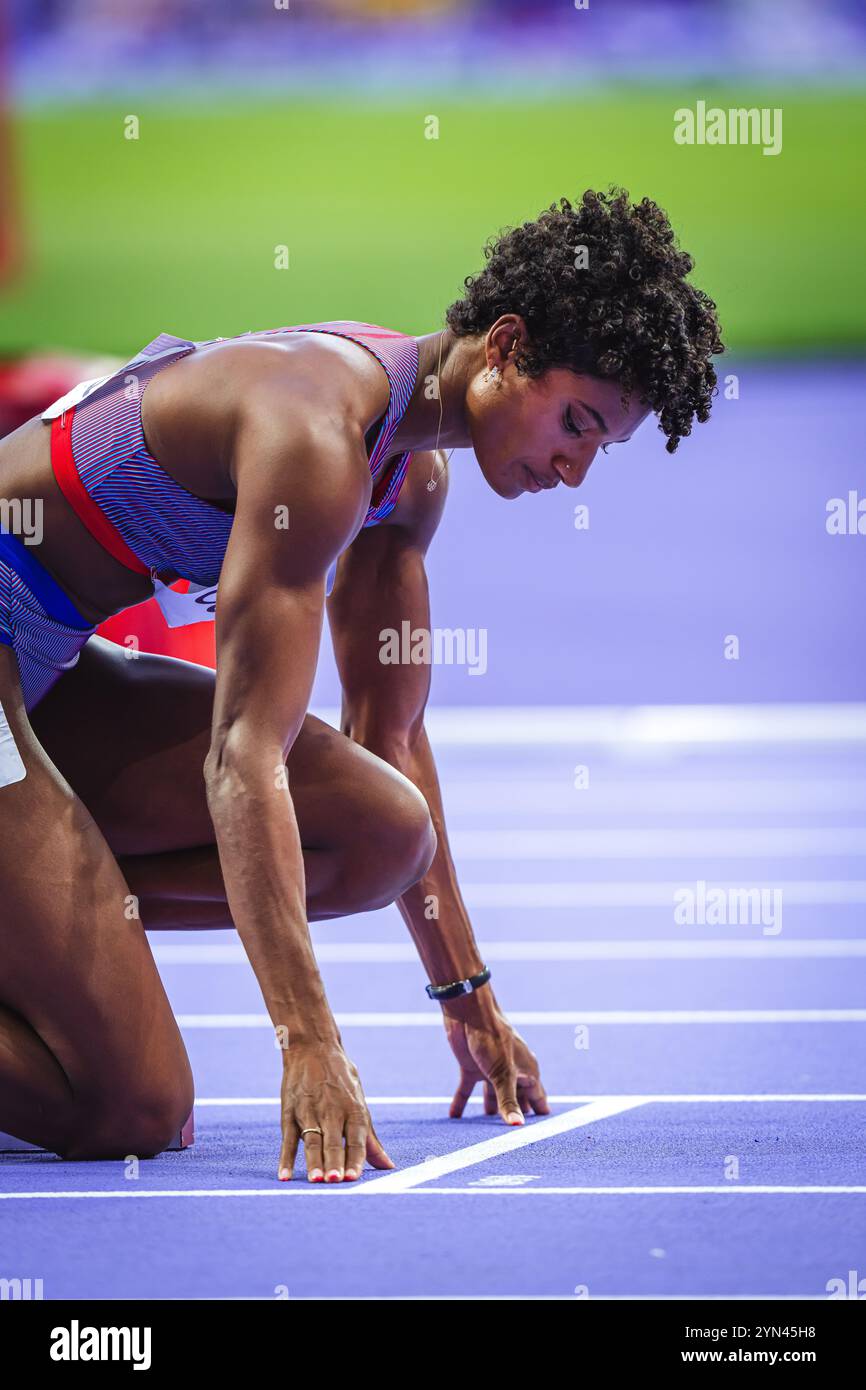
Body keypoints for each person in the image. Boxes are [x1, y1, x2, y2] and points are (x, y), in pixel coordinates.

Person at [0, 189, 723, 1181]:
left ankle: (34, 916)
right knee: (134, 1103)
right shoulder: (317, 436)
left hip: (41, 664)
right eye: (577, 422)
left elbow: (392, 742)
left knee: (382, 829)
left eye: (601, 445)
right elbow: (242, 754)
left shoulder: (408, 477)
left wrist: (465, 995)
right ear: (505, 346)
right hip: (15, 655)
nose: (576, 468)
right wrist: (308, 1041)